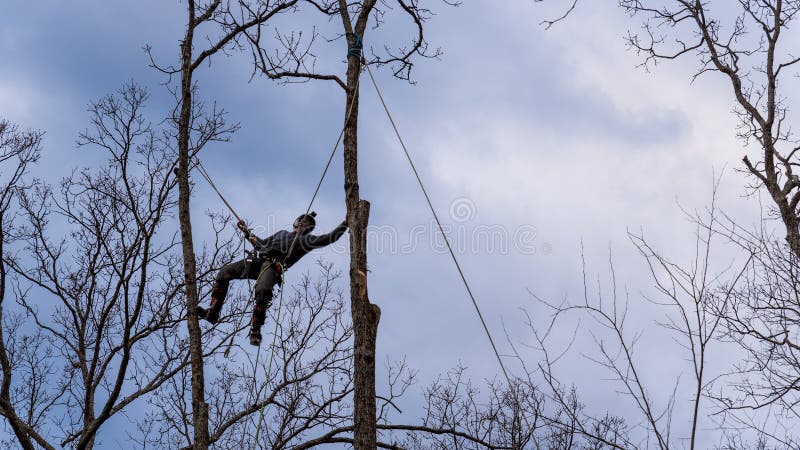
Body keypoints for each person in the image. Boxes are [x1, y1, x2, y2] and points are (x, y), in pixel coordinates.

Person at [196, 211, 348, 346]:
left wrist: (345, 223)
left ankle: (255, 329)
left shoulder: (305, 241)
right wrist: (246, 232)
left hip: (272, 265)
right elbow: (261, 244)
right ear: (296, 222)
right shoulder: (281, 233)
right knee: (223, 273)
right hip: (256, 261)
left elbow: (329, 238)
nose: (303, 224)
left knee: (262, 290)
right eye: (302, 221)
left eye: (307, 224)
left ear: (308, 229)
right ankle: (213, 312)